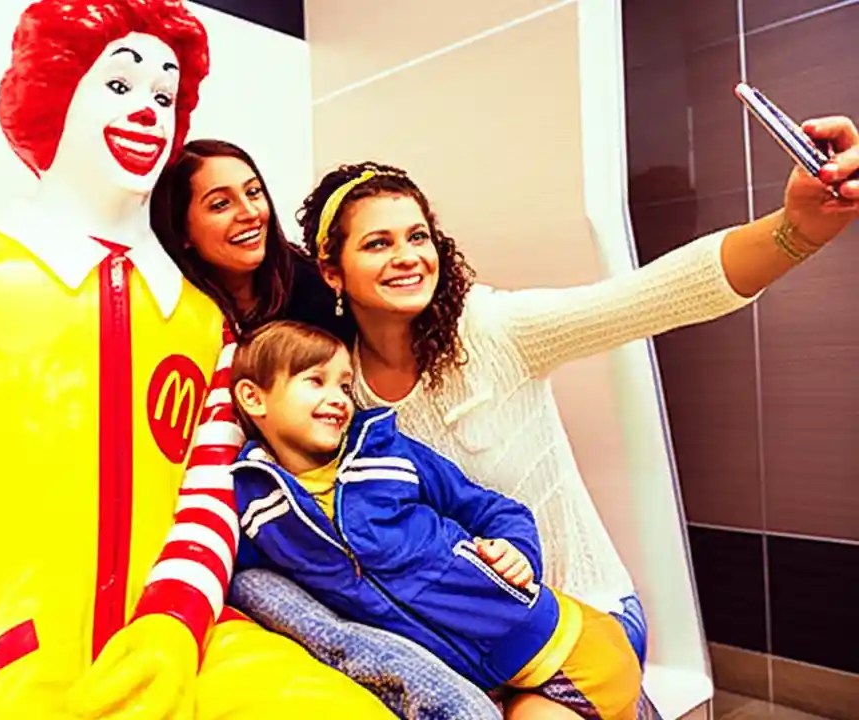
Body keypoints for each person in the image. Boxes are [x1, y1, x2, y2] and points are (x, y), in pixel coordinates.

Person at [0, 1, 392, 718]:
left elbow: (205, 500)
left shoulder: (204, 325)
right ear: (53, 92)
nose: (148, 111)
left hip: (187, 649)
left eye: (164, 95)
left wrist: (171, 626)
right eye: (119, 85)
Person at [294, 116, 859, 658]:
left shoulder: (491, 330)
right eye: (378, 244)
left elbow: (652, 297)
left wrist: (798, 230)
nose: (408, 258)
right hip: (474, 644)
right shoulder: (341, 390)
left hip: (585, 614)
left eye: (418, 236)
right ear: (331, 270)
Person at [229, 320, 643, 720]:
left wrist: (516, 549)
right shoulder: (256, 507)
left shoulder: (386, 455)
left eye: (345, 385)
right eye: (316, 381)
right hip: (498, 690)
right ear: (253, 397)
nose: (339, 398)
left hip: (567, 645)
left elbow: (493, 509)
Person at [152, 138, 354, 342]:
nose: (250, 212)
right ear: (181, 231)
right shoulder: (162, 311)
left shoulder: (315, 292)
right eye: (221, 204)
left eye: (253, 192)